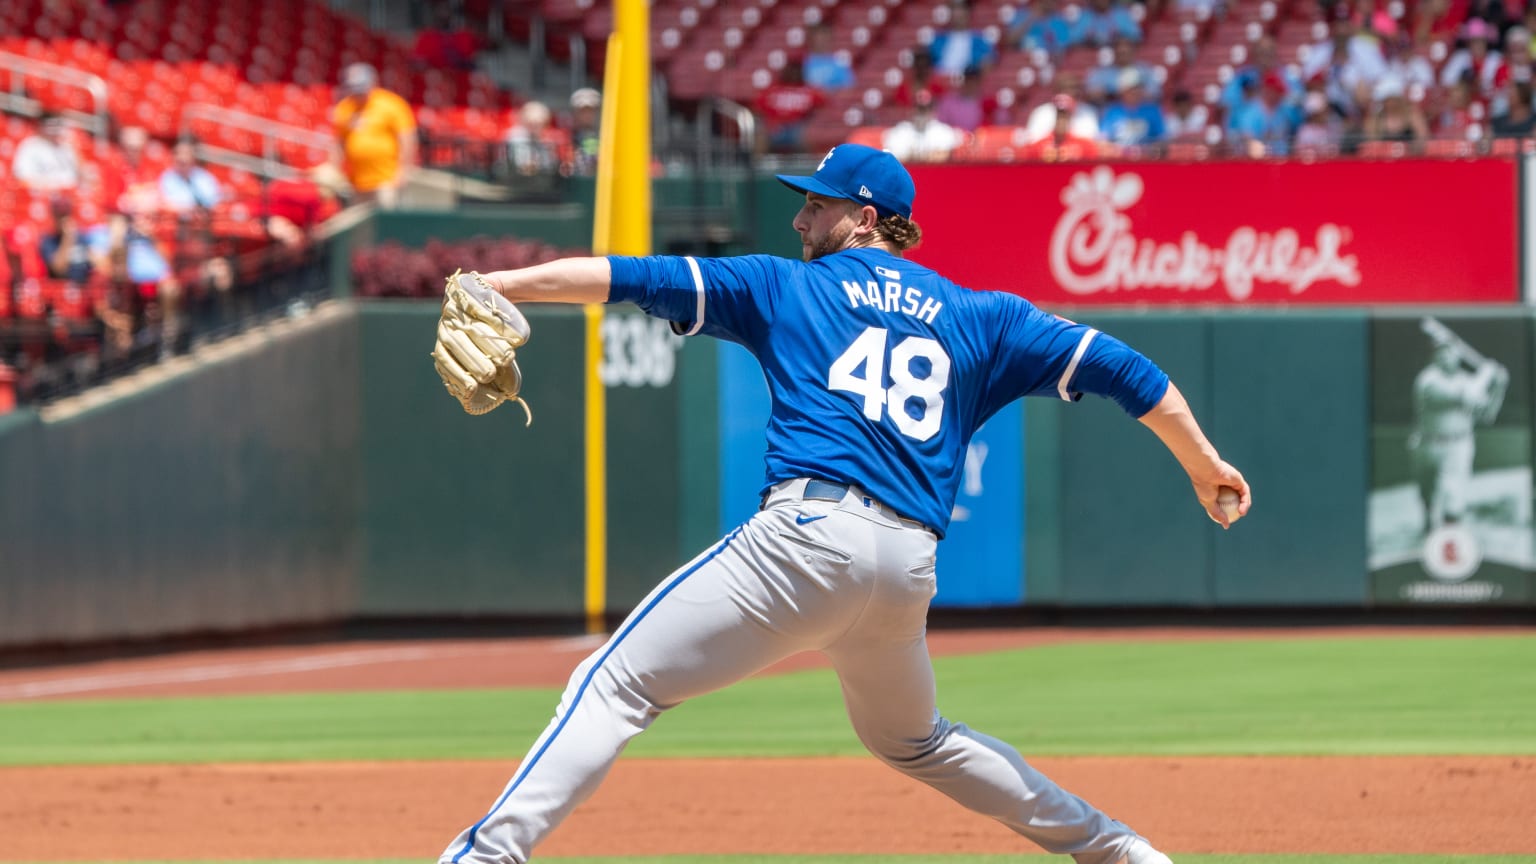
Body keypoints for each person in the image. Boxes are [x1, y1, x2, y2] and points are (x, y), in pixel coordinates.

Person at [435, 141, 1250, 864]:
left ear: (865, 219)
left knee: (615, 685)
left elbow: (626, 276)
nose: (800, 220)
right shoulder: (985, 317)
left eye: (816, 205)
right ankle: (1118, 850)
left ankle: (484, 857)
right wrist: (1203, 463)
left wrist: (501, 283)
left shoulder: (781, 286)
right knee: (916, 740)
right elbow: (1129, 372)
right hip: (905, 568)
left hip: (807, 539)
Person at [1411, 319, 1509, 531]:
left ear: (1457, 356)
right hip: (1428, 444)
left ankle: (1450, 534)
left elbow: (1487, 415)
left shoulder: (1465, 380)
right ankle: (1428, 523)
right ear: (1433, 357)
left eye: (1450, 352)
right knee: (1427, 492)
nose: (1446, 356)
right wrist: (1487, 373)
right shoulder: (1428, 381)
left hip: (1458, 445)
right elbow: (1466, 396)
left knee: (1453, 494)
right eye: (1440, 352)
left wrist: (1498, 388)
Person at [329, 62, 418, 208]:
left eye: (361, 88)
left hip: (387, 179)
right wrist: (334, 169)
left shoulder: (391, 104)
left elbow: (407, 139)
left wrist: (403, 170)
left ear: (373, 84)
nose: (358, 94)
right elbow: (339, 143)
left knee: (386, 218)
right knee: (359, 219)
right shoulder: (344, 108)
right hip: (356, 182)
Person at [756, 64, 827, 153]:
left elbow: (822, 108)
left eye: (796, 72)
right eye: (791, 71)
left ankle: (807, 160)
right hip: (774, 128)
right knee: (761, 132)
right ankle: (759, 161)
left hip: (799, 127)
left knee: (805, 133)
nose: (794, 74)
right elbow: (758, 109)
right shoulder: (772, 91)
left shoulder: (809, 91)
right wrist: (771, 123)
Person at [881, 89, 964, 161]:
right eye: (918, 108)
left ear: (932, 110)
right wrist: (929, 155)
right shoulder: (901, 131)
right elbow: (895, 157)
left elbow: (945, 155)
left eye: (925, 109)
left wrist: (914, 156)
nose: (921, 113)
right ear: (911, 109)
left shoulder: (942, 130)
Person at [1020, 94, 1106, 159]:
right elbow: (1027, 156)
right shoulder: (1041, 145)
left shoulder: (1083, 144)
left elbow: (1094, 155)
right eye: (1059, 117)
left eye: (1064, 117)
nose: (1061, 121)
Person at [12, 112, 80, 193]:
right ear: (41, 126)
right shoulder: (30, 146)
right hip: (40, 194)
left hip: (68, 195)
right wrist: (52, 188)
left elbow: (81, 179)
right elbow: (22, 180)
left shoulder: (66, 147)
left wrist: (76, 149)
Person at [928, 0, 997, 76]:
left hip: (968, 79)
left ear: (968, 12)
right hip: (940, 80)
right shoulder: (938, 40)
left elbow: (989, 62)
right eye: (954, 9)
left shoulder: (980, 41)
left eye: (961, 9)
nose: (957, 13)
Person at [158, 136, 225, 213]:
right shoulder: (167, 178)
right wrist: (190, 208)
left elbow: (214, 203)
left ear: (193, 156)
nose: (181, 158)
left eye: (186, 153)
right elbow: (166, 205)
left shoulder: (205, 177)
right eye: (178, 153)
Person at [802, 24, 856, 91]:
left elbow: (849, 88)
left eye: (825, 39)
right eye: (819, 39)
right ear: (811, 40)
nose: (822, 43)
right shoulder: (802, 62)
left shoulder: (840, 64)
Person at [567, 88, 602, 176]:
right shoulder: (567, 136)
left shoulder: (607, 138)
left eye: (590, 111)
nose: (587, 115)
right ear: (575, 113)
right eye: (582, 111)